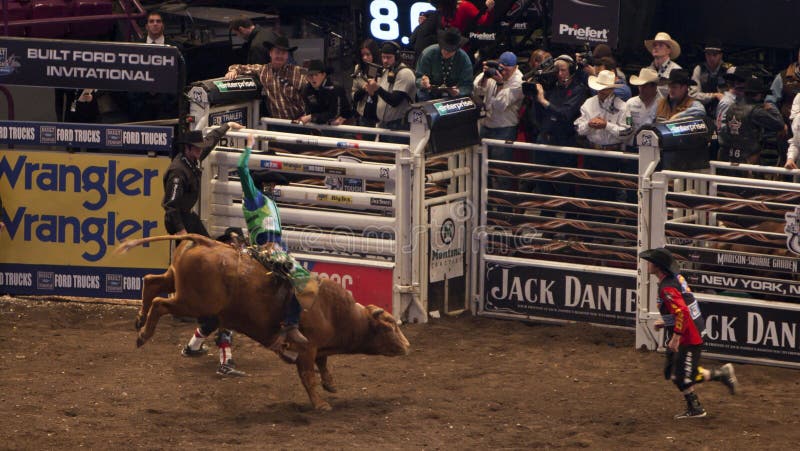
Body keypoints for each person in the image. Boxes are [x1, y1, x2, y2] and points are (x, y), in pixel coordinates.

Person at [165, 122, 248, 377]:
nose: (201, 151)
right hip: (179, 220)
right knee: (199, 267)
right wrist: (180, 232)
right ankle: (188, 302)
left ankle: (194, 332)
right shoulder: (178, 172)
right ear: (188, 148)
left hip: (189, 219)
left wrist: (226, 126)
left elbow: (210, 140)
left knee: (209, 254)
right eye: (197, 148)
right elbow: (170, 207)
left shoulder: (192, 158)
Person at [237, 133, 316, 352]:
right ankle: (290, 325)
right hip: (267, 249)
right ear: (263, 185)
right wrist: (249, 147)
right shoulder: (254, 197)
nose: (273, 188)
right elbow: (242, 169)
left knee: (299, 279)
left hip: (276, 248)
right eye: (270, 184)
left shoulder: (268, 202)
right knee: (303, 280)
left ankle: (285, 325)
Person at [639, 248, 738, 419]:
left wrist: (676, 337)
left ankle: (705, 395)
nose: (647, 264)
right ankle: (706, 393)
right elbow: (686, 305)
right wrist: (667, 322)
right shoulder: (676, 279)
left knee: (683, 375)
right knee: (673, 372)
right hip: (688, 331)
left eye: (650, 262)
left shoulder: (667, 287)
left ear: (658, 266)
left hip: (689, 336)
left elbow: (683, 312)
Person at [529, 55, 588, 198]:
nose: (560, 74)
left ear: (571, 70)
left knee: (565, 185)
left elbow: (565, 114)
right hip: (544, 139)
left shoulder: (578, 90)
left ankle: (568, 217)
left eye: (563, 70)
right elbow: (537, 116)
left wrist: (543, 101)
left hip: (564, 142)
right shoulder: (550, 86)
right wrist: (535, 97)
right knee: (542, 183)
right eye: (557, 71)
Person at [575, 69, 631, 202]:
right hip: (592, 153)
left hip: (611, 157)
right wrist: (589, 124)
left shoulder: (623, 107)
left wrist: (607, 126)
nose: (600, 92)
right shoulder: (588, 103)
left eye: (604, 89)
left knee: (608, 195)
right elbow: (578, 128)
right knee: (588, 192)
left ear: (611, 89)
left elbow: (627, 132)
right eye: (599, 88)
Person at [473, 51, 524, 190]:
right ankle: (485, 205)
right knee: (482, 168)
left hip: (504, 128)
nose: (504, 72)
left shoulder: (518, 82)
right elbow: (477, 90)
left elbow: (500, 105)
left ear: (515, 68)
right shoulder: (492, 71)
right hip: (486, 125)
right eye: (502, 68)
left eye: (508, 69)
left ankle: (504, 207)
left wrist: (500, 83)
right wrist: (485, 76)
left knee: (501, 170)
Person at [225, 36, 306, 120]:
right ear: (270, 53)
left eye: (283, 53)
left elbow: (315, 85)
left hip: (298, 122)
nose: (280, 56)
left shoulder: (298, 72)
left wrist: (309, 116)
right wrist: (233, 71)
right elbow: (240, 67)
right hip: (276, 123)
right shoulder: (263, 70)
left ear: (287, 56)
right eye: (277, 52)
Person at [718, 77, 785, 164]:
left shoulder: (731, 108)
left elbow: (724, 132)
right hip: (750, 157)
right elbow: (779, 124)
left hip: (730, 156)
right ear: (758, 95)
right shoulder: (756, 111)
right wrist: (771, 108)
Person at [129, 11, 181, 121]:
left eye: (158, 21)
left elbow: (181, 76)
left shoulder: (175, 48)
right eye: (151, 21)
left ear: (163, 25)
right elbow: (131, 76)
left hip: (168, 105)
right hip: (141, 105)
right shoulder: (135, 48)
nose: (155, 24)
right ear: (146, 26)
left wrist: (173, 100)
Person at [365, 41, 416, 131]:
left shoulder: (405, 73)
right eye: (383, 57)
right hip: (382, 124)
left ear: (396, 57)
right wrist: (372, 92)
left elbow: (394, 101)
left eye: (388, 57)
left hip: (399, 125)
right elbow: (379, 99)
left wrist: (377, 88)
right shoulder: (385, 71)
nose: (385, 60)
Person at [415, 27, 474, 101]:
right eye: (444, 48)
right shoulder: (428, 54)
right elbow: (418, 79)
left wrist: (459, 91)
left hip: (453, 98)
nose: (446, 52)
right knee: (422, 93)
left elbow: (468, 85)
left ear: (457, 49)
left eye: (450, 51)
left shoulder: (464, 59)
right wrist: (423, 83)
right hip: (429, 95)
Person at [297, 59, 352, 126]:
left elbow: (334, 113)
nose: (313, 78)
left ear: (323, 75)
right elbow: (309, 110)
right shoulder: (307, 90)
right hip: (317, 124)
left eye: (316, 75)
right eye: (310, 75)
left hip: (341, 125)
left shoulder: (335, 89)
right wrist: (313, 117)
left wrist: (312, 117)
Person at [690, 40, 730, 117]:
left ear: (721, 55)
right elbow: (693, 95)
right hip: (702, 111)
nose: (711, 58)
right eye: (708, 54)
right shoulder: (699, 69)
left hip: (724, 111)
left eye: (715, 55)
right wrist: (713, 95)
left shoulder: (729, 69)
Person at [625, 68, 662, 151]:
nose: (641, 88)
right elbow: (627, 124)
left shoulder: (662, 104)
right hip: (632, 146)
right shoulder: (630, 103)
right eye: (640, 85)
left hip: (655, 147)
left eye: (645, 86)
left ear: (654, 87)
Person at [351, 39, 381, 127]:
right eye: (363, 55)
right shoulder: (358, 68)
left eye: (368, 54)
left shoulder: (382, 68)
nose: (365, 58)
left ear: (374, 54)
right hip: (364, 113)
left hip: (380, 113)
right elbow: (353, 95)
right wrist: (365, 89)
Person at [766, 47, 800, 123]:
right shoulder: (783, 77)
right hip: (788, 126)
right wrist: (780, 123)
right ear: (798, 55)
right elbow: (770, 103)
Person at [645, 32, 682, 98]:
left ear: (668, 50)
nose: (656, 47)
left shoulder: (676, 70)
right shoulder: (647, 70)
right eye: (654, 45)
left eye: (660, 45)